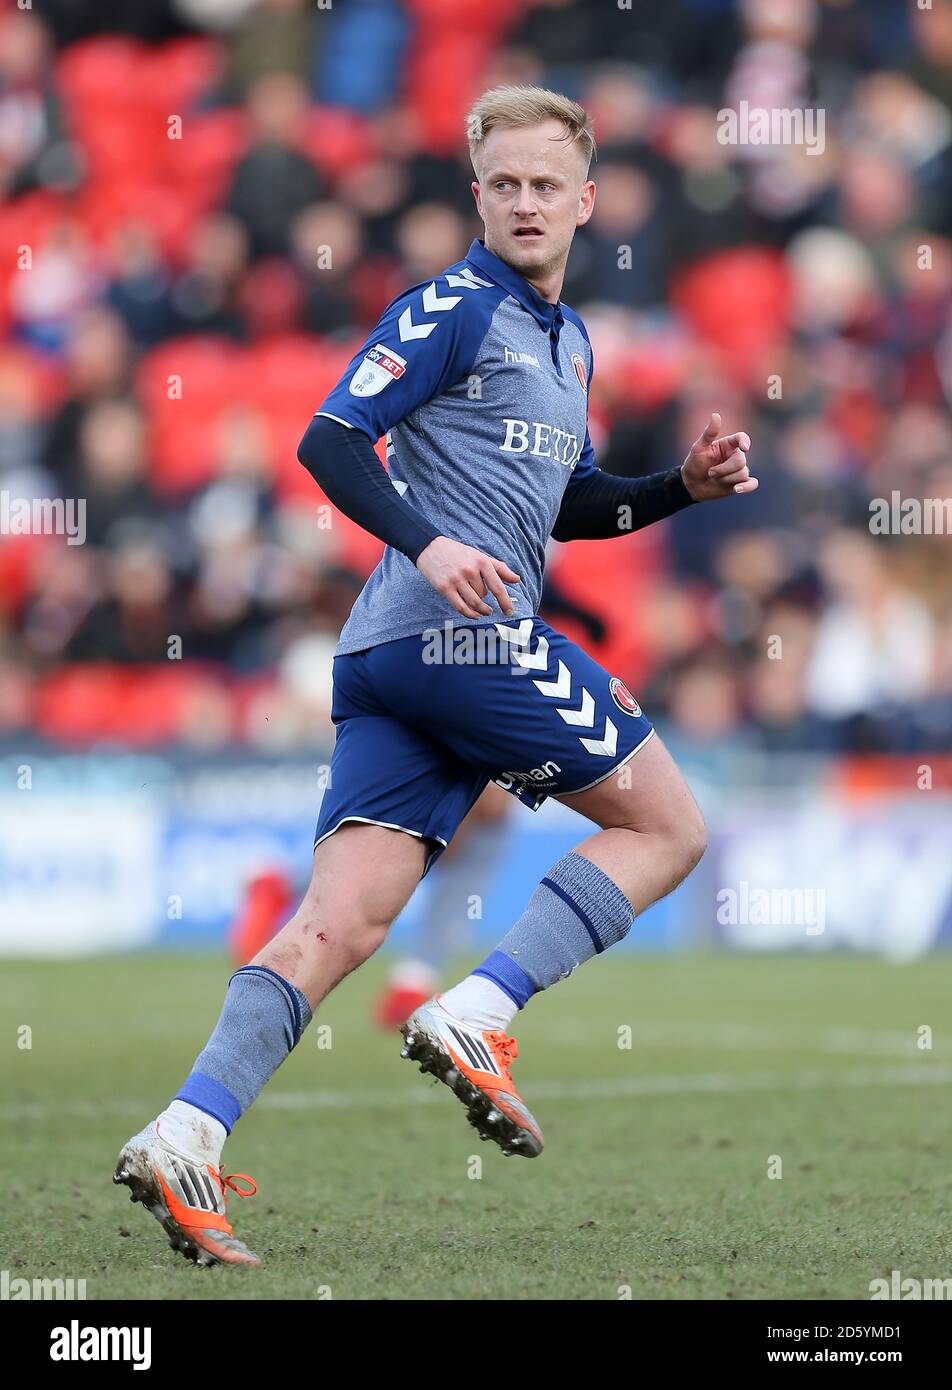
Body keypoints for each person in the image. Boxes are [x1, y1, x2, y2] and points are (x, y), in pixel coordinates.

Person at [114, 85, 757, 1267]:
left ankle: (184, 1131)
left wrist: (679, 489)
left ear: (585, 201)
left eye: (544, 184)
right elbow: (326, 439)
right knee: (667, 827)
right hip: (455, 636)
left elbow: (570, 502)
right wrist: (430, 543)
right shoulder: (452, 308)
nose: (525, 202)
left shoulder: (568, 342)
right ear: (477, 196)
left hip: (397, 660)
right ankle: (480, 1008)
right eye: (503, 184)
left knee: (337, 922)